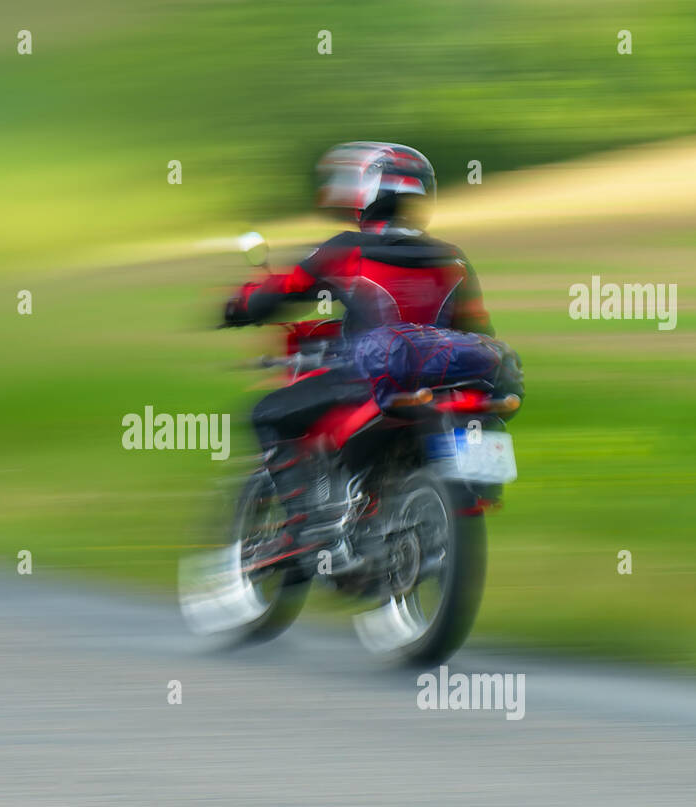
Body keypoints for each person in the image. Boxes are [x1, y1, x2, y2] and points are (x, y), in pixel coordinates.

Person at [222, 141, 522, 570]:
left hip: (368, 381)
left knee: (267, 413)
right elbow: (477, 331)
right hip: (449, 386)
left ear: (368, 191)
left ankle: (299, 527)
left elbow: (280, 293)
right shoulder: (453, 258)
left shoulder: (346, 250)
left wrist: (239, 306)